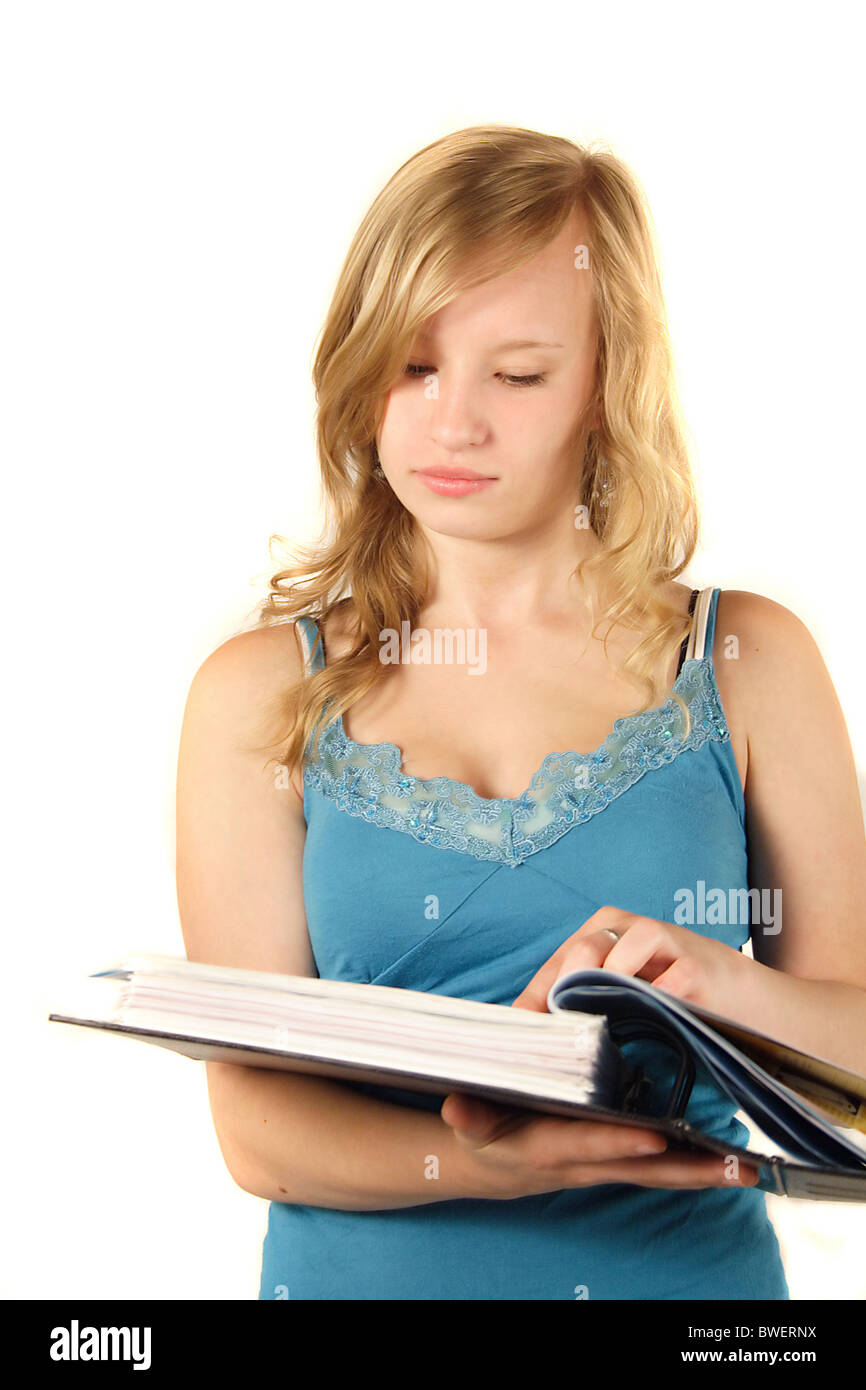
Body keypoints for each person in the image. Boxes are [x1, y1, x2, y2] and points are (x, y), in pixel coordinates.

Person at [175, 125, 866, 1300]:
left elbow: (849, 1052)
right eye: (411, 364)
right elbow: (255, 1129)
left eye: (519, 373)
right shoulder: (257, 694)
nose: (453, 423)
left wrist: (723, 982)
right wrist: (487, 1165)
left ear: (606, 383)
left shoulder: (748, 663)